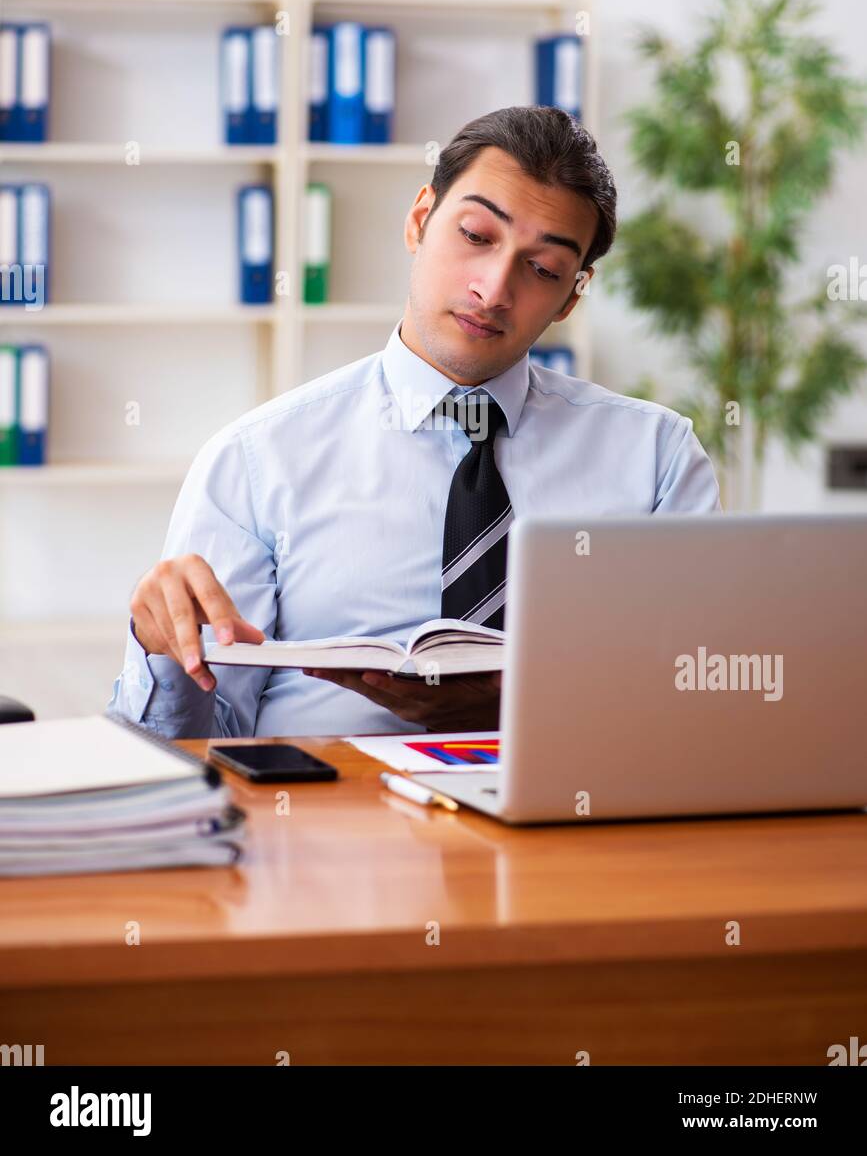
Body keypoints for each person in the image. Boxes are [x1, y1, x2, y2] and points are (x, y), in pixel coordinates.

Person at [108, 105, 720, 739]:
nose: (493, 288)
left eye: (542, 269)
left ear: (571, 296)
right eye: (477, 236)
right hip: (333, 820)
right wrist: (164, 652)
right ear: (421, 219)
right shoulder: (257, 460)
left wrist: (523, 712)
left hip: (578, 821)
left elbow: (699, 712)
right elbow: (201, 748)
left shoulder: (657, 460)